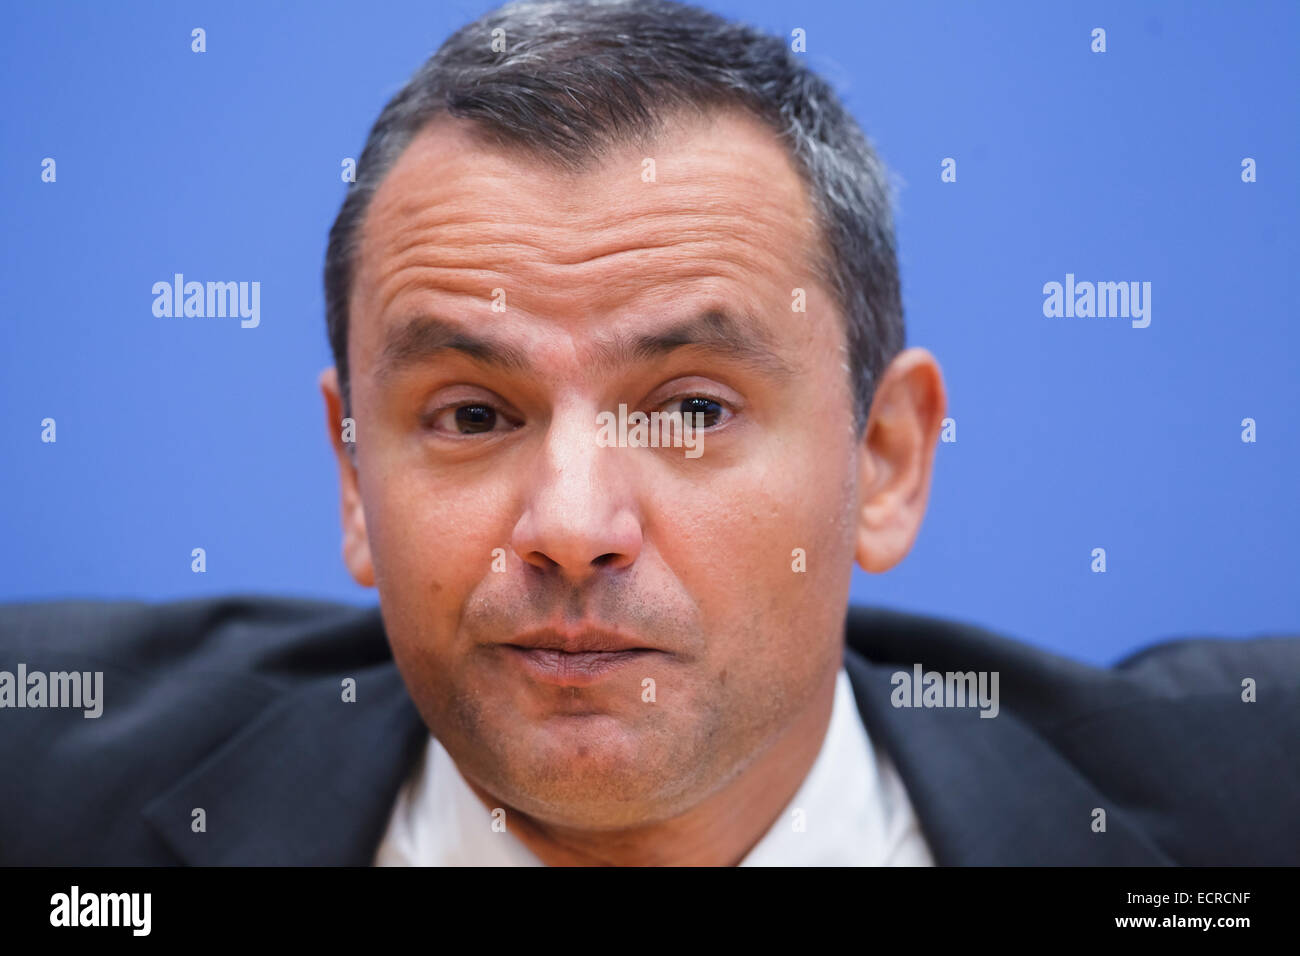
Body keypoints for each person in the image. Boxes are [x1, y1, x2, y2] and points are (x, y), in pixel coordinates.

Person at [1, 0, 1295, 866]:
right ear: (352, 474)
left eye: (690, 409)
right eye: (471, 413)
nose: (571, 528)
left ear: (887, 459)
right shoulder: (42, 786)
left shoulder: (1249, 802)